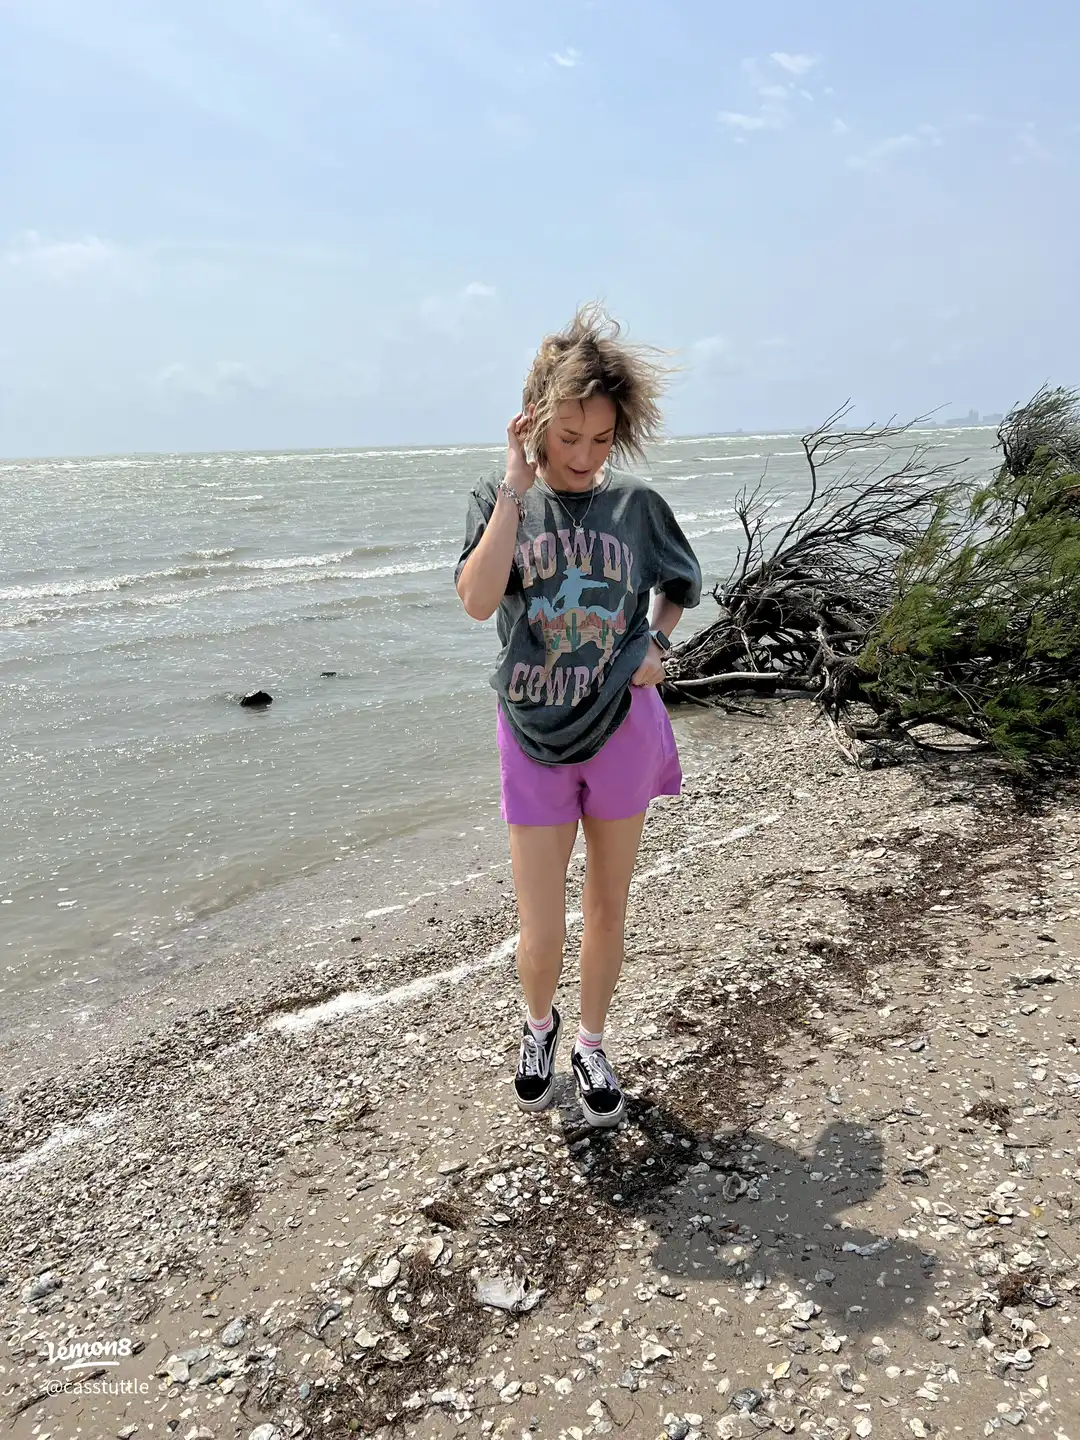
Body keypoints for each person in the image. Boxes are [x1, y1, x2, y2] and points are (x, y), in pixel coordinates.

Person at [454, 303, 702, 1127]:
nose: (586, 457)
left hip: (622, 732)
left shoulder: (636, 507)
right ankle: (539, 1027)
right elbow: (477, 600)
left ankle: (592, 1041)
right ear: (533, 424)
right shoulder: (501, 498)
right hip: (532, 732)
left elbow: (679, 585)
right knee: (539, 916)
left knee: (607, 903)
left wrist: (651, 646)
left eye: (600, 440)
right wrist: (517, 494)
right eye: (569, 438)